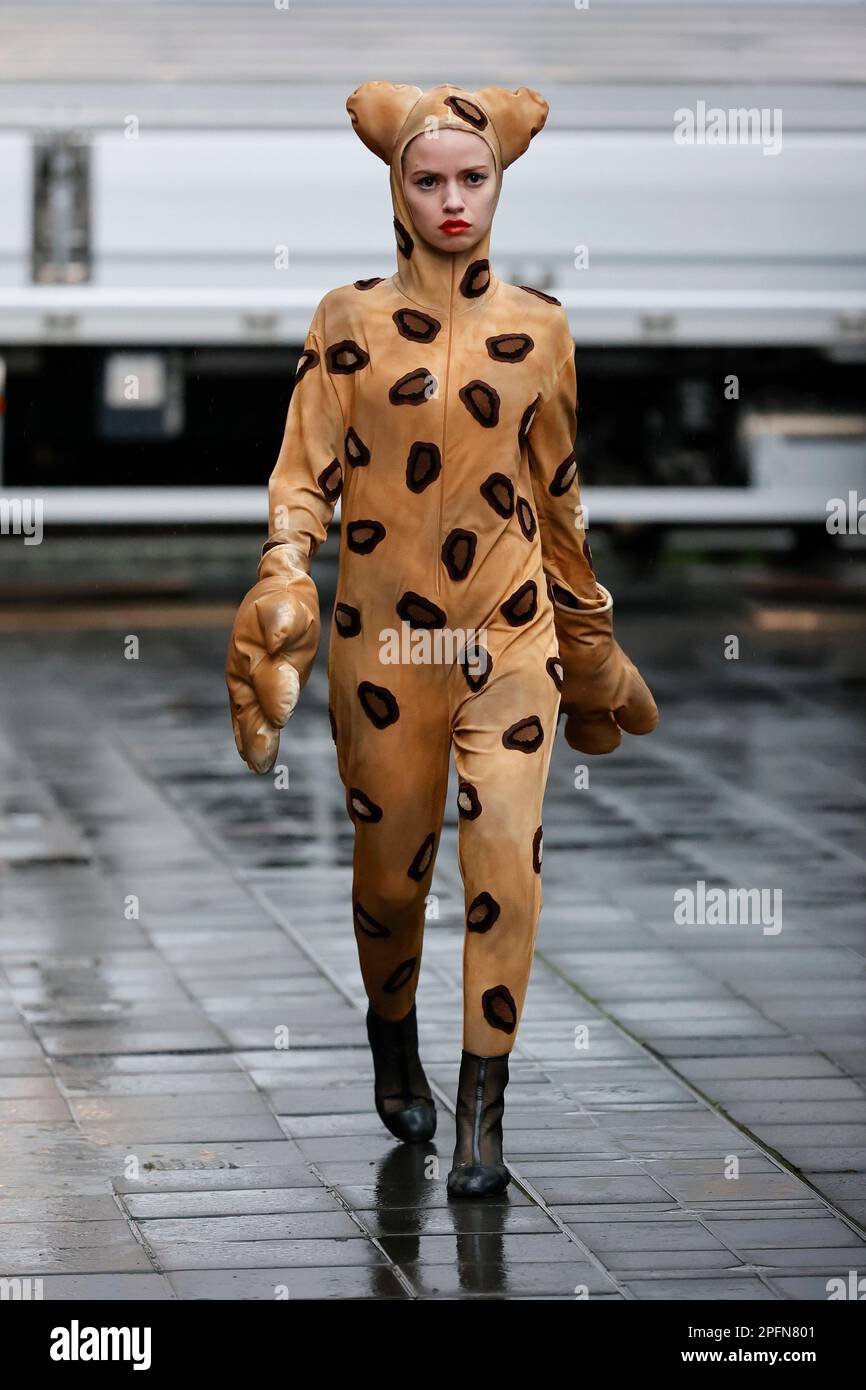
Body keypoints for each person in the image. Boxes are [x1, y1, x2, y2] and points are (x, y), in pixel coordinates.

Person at [225, 81, 658, 1198]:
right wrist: (283, 571)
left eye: (472, 178)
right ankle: (391, 1040)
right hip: (381, 652)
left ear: (500, 183)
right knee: (389, 873)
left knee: (504, 857)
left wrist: (591, 641)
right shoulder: (345, 320)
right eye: (429, 179)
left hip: (509, 639)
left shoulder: (540, 328)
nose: (452, 199)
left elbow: (558, 498)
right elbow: (300, 477)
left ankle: (481, 1109)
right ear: (395, 187)